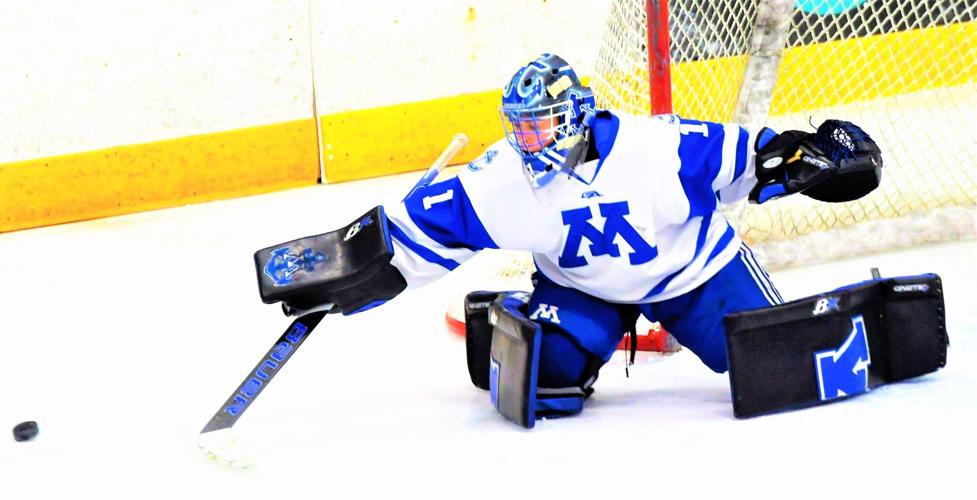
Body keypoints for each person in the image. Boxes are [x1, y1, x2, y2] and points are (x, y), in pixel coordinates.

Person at [256, 53, 889, 425]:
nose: (528, 143)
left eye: (541, 127)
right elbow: (414, 233)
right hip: (582, 287)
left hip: (693, 274)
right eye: (520, 129)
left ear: (578, 116)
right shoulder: (499, 180)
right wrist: (351, 273)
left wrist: (808, 161)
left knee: (776, 368)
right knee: (542, 386)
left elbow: (759, 163)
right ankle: (504, 318)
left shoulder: (661, 145)